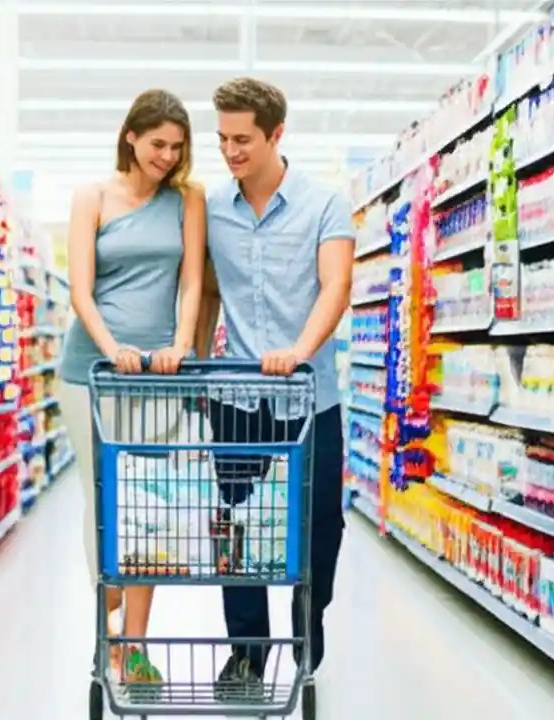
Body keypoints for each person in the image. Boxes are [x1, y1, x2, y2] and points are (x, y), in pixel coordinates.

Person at [199, 76, 354, 696]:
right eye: (223, 139)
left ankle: (305, 628)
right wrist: (190, 357)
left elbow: (336, 286)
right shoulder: (209, 208)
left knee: (320, 525)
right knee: (233, 528)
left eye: (243, 139)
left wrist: (299, 352)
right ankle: (247, 652)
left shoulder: (325, 204)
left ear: (276, 134)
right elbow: (207, 288)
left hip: (312, 397)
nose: (231, 151)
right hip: (235, 398)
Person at [56, 88, 207, 688]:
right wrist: (111, 347)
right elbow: (80, 291)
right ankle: (108, 613)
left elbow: (192, 283)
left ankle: (135, 646)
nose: (167, 156)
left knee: (154, 509)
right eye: (157, 144)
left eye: (177, 146)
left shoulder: (187, 201)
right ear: (130, 137)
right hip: (90, 373)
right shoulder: (91, 197)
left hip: (160, 376)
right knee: (105, 504)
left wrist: (179, 343)